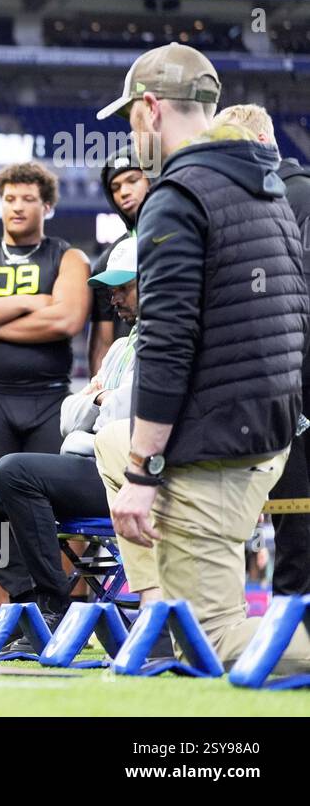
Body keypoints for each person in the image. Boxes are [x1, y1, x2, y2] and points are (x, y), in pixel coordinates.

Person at [94, 42, 310, 671]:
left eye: (132, 117)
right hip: (267, 436)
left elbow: (166, 339)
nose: (133, 134)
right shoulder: (267, 182)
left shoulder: (179, 194)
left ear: (151, 110)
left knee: (214, 640)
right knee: (111, 443)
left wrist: (144, 472)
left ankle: (177, 630)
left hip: (215, 443)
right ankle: (161, 614)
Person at [0, 236, 140, 639]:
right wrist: (102, 400)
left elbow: (131, 411)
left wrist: (99, 399)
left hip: (128, 477)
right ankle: (28, 597)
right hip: (89, 462)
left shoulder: (170, 340)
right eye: (112, 289)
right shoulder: (121, 346)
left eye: (124, 287)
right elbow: (73, 416)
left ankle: (54, 604)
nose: (115, 298)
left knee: (17, 471)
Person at [212, 103, 310, 598]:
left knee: (297, 513)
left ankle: (295, 630)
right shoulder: (272, 198)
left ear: (263, 146)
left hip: (292, 381)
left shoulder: (295, 198)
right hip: (279, 380)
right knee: (289, 513)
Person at [0, 162, 90, 461]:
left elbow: (65, 320)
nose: (17, 207)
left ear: (47, 207)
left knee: (44, 493)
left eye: (28, 199)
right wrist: (27, 301)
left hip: (50, 397)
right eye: (9, 199)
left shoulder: (69, 257)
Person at [88, 148, 149, 374]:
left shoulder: (180, 240)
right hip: (125, 382)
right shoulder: (108, 262)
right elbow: (102, 345)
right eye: (115, 187)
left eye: (133, 180)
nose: (124, 192)